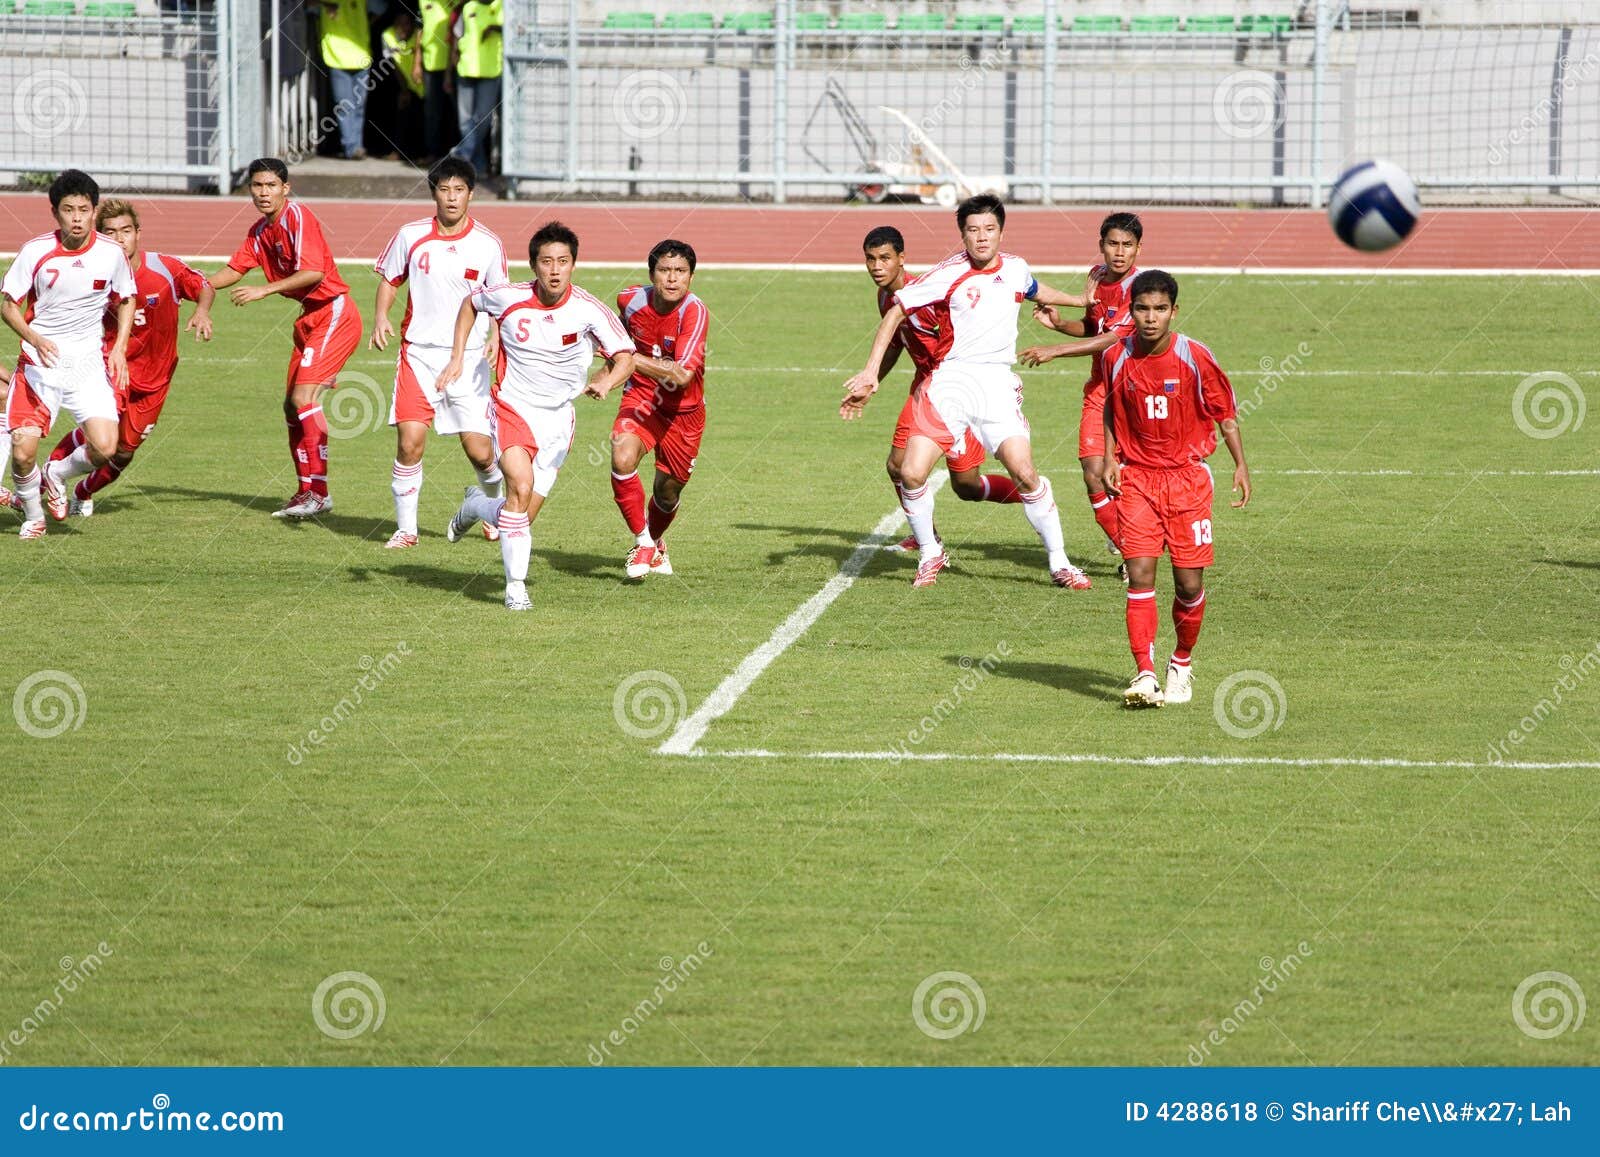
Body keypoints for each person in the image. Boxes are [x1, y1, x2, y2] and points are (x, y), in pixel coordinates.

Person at [841, 194, 1094, 589]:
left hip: (995, 384)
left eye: (989, 229)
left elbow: (1033, 288)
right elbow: (896, 311)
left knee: (1024, 474)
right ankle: (930, 552)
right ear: (962, 235)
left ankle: (1060, 563)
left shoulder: (1015, 267)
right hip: (950, 383)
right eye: (973, 230)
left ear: (1001, 232)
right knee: (908, 471)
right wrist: (871, 372)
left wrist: (1077, 299)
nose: (981, 238)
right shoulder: (947, 273)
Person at [441, 222, 635, 610]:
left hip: (558, 420)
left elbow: (625, 356)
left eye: (563, 261)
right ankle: (515, 589)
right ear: (534, 265)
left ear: (574, 265)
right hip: (513, 407)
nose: (555, 270)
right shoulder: (506, 297)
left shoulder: (588, 309)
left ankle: (477, 506)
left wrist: (608, 382)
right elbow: (470, 304)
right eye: (547, 262)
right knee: (520, 487)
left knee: (519, 515)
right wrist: (458, 354)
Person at [1101, 270, 1251, 708]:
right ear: (1131, 311)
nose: (1150, 318)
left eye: (1160, 309)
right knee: (1140, 574)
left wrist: (1240, 463)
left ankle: (1181, 664)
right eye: (1143, 309)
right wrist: (1111, 456)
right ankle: (1145, 674)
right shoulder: (1116, 357)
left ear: (1174, 311)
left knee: (1188, 585)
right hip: (1139, 481)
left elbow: (1225, 413)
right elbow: (1112, 407)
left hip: (1187, 482)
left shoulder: (1195, 356)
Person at [843, 225, 1026, 558]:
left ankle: (1031, 492)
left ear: (902, 258)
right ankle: (928, 540)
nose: (877, 267)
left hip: (956, 388)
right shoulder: (886, 297)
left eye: (885, 258)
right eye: (870, 259)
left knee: (967, 486)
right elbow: (898, 342)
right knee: (897, 466)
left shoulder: (928, 295)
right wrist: (875, 381)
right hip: (923, 387)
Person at [209, 158, 364, 519]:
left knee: (303, 397)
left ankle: (320, 493)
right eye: (257, 186)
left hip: (333, 312)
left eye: (270, 186)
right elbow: (233, 270)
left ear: (285, 188)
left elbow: (314, 272)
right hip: (308, 320)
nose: (263, 193)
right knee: (291, 407)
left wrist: (264, 291)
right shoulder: (259, 231)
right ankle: (305, 489)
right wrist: (188, 285)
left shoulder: (298, 217)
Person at [42, 199, 214, 518]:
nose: (120, 239)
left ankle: (83, 489)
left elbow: (204, 286)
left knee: (123, 452)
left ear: (138, 233)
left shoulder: (165, 267)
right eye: (111, 232)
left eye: (126, 231)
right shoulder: (92, 275)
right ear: (101, 236)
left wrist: (202, 310)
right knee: (102, 435)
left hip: (155, 379)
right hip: (110, 369)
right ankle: (50, 479)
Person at [371, 156, 508, 549]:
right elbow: (390, 279)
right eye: (444, 189)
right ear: (433, 192)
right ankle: (406, 530)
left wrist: (496, 336)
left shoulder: (487, 244)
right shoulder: (410, 235)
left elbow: (499, 299)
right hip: (419, 355)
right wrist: (381, 316)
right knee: (410, 441)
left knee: (481, 452)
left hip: (467, 360)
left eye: (459, 190)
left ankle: (491, 506)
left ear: (470, 194)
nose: (451, 197)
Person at [0, 170, 135, 540]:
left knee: (107, 447)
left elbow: (126, 298)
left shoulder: (111, 254)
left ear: (95, 212)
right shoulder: (35, 252)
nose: (76, 217)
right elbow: (9, 306)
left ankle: (56, 474)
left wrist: (119, 348)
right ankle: (32, 516)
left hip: (87, 365)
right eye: (68, 209)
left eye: (84, 209)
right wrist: (33, 337)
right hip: (40, 366)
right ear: (55, 213)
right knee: (23, 450)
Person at [1021, 212, 1144, 568]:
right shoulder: (1095, 277)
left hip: (1134, 392)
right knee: (1093, 473)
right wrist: (1059, 325)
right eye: (1112, 244)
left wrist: (1055, 350)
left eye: (1127, 245)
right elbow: (1093, 328)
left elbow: (1111, 337)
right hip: (1100, 390)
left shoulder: (1139, 288)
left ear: (1139, 248)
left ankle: (1137, 543)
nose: (1119, 252)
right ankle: (1131, 552)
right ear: (1101, 245)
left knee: (1131, 477)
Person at [609, 239, 708, 579]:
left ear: (691, 277)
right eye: (664, 270)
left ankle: (656, 540)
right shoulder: (629, 300)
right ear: (651, 273)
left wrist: (630, 359)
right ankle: (643, 542)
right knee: (622, 456)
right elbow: (617, 337)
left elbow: (681, 375)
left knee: (667, 493)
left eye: (680, 271)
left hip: (684, 411)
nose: (672, 278)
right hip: (643, 398)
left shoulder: (694, 312)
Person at [313, 0, 374, 160]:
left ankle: (356, 146)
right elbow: (306, 6)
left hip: (360, 56)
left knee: (357, 105)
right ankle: (352, 147)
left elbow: (380, 7)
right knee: (345, 105)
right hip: (338, 57)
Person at [451, 0, 503, 178]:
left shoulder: (503, 7)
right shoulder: (468, 7)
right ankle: (478, 166)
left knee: (483, 120)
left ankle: (462, 154)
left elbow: (515, 30)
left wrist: (495, 28)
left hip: (490, 71)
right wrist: (454, 58)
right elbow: (457, 34)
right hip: (466, 69)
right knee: (465, 119)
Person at [418, 0, 459, 163]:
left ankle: (456, 154)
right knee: (432, 112)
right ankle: (432, 153)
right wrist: (416, 63)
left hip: (455, 66)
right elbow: (419, 31)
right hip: (431, 63)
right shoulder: (424, 2)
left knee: (456, 112)